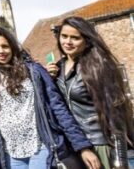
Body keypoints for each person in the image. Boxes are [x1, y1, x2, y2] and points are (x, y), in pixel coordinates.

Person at [0, 27, 100, 169]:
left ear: (13, 47)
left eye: (5, 46)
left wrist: (82, 147)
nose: (0, 51)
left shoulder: (33, 71)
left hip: (40, 147)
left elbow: (58, 108)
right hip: (10, 153)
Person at [47, 16, 134, 168]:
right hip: (74, 146)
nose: (67, 42)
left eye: (75, 38)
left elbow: (116, 113)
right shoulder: (58, 68)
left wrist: (119, 159)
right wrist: (49, 79)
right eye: (64, 36)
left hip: (100, 143)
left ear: (86, 41)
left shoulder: (98, 66)